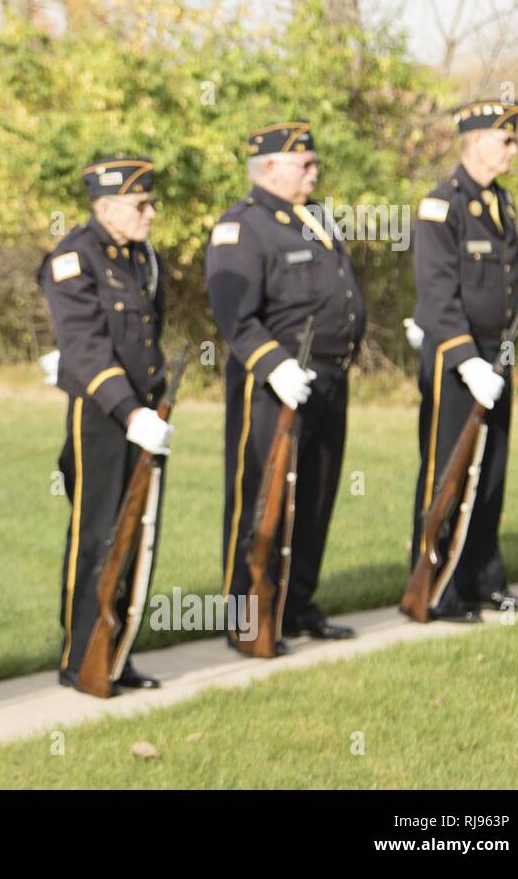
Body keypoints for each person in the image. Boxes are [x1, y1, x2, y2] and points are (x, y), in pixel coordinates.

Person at [205, 121, 366, 653]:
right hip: (275, 382)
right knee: (260, 498)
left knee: (315, 495)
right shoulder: (242, 227)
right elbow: (235, 315)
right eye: (305, 164)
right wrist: (274, 365)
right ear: (270, 167)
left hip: (327, 377)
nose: (315, 172)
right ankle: (248, 619)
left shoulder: (316, 218)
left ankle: (296, 605)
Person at [403, 100, 518, 621]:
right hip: (457, 357)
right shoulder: (443, 205)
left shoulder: (499, 202)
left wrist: (498, 356)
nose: (513, 149)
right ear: (476, 141)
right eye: (505, 140)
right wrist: (466, 359)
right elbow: (437, 294)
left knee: (491, 469)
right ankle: (433, 588)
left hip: (496, 353)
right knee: (447, 471)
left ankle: (483, 580)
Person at [39, 155, 171, 692]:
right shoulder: (74, 258)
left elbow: (150, 332)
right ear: (107, 207)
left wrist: (152, 405)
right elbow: (86, 348)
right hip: (101, 413)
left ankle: (119, 650)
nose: (150, 213)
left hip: (146, 413)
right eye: (140, 204)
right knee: (96, 535)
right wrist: (129, 410)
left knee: (137, 531)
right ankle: (82, 655)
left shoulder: (144, 257)